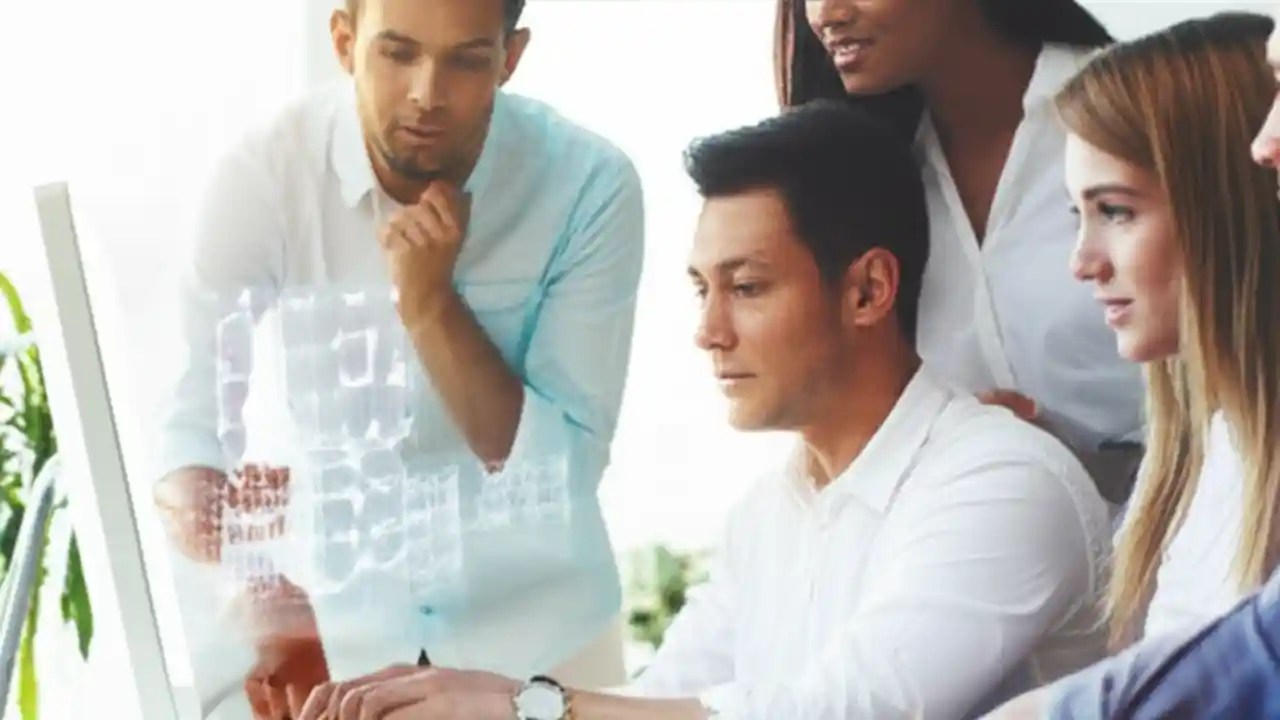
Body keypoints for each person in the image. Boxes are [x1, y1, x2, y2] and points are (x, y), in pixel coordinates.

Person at [292, 98, 1112, 720]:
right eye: (701, 289)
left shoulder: (1002, 481)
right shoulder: (771, 514)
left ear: (868, 289)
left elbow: (841, 712)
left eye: (747, 288)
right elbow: (670, 698)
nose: (709, 333)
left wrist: (521, 706)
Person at [149, 0, 644, 716]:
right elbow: (187, 434)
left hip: (545, 652)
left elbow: (560, 474)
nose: (426, 94)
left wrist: (430, 305)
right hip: (338, 660)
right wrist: (261, 591)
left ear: (511, 56)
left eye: (467, 60)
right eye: (398, 53)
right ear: (345, 41)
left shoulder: (590, 185)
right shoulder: (264, 177)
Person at [982, 10, 1280, 718]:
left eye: (1115, 210)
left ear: (1227, 204)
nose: (1082, 262)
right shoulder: (1203, 451)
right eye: (1076, 215)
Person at [776, 0, 1145, 510]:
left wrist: (1071, 469)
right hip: (974, 563)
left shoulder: (1142, 114)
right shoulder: (865, 182)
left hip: (1192, 564)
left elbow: (1248, 377)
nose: (825, 13)